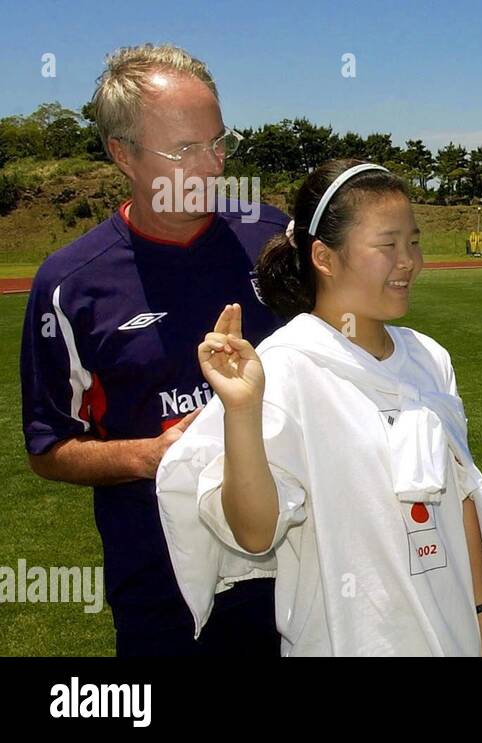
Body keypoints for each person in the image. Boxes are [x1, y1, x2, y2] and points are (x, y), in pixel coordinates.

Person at [155, 159, 482, 655]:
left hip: (453, 635)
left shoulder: (429, 359)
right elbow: (254, 533)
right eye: (387, 245)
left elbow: (460, 497)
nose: (409, 261)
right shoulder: (287, 368)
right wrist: (243, 413)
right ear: (324, 258)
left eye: (413, 242)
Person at [19, 44, 285, 656]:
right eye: (184, 150)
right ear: (122, 153)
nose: (212, 166)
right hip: (161, 591)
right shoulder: (71, 284)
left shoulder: (271, 239)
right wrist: (152, 456)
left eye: (219, 142)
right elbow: (48, 448)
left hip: (295, 568)